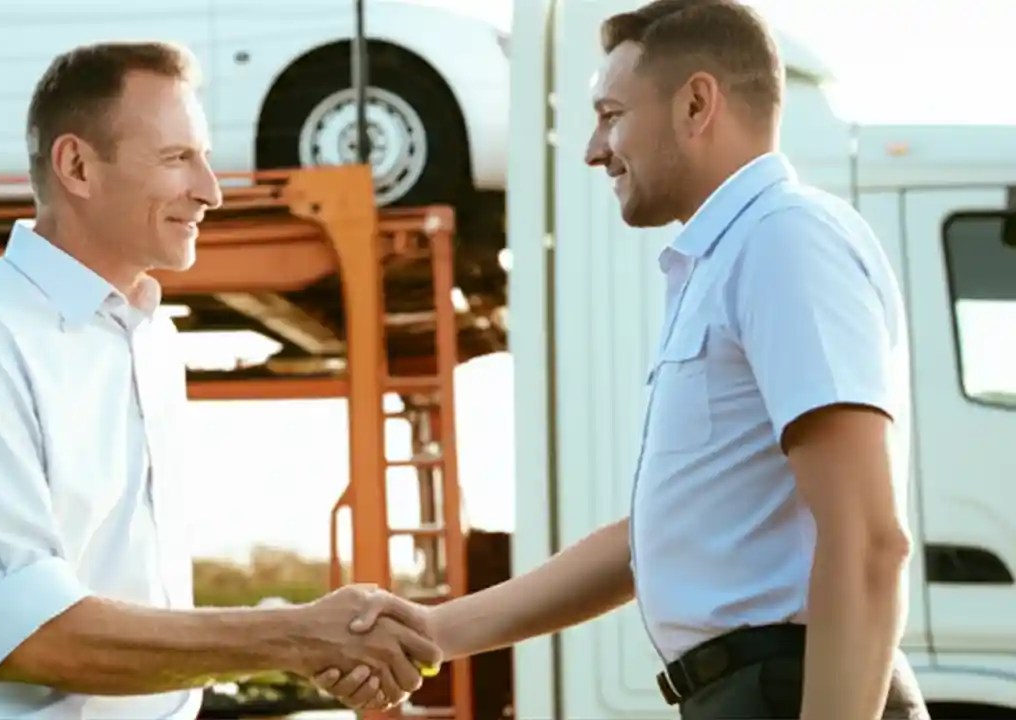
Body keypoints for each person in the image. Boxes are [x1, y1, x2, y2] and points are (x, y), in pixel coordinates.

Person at [317, 1, 930, 718]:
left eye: (611, 114)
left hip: (789, 693)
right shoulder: (729, 259)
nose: (593, 148)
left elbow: (867, 542)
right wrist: (433, 632)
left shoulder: (784, 241)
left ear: (696, 103)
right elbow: (656, 541)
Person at [0, 40, 440, 719]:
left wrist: (320, 642)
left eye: (203, 158)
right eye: (178, 159)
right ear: (77, 165)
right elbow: (33, 636)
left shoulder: (149, 337)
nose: (211, 190)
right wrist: (293, 635)